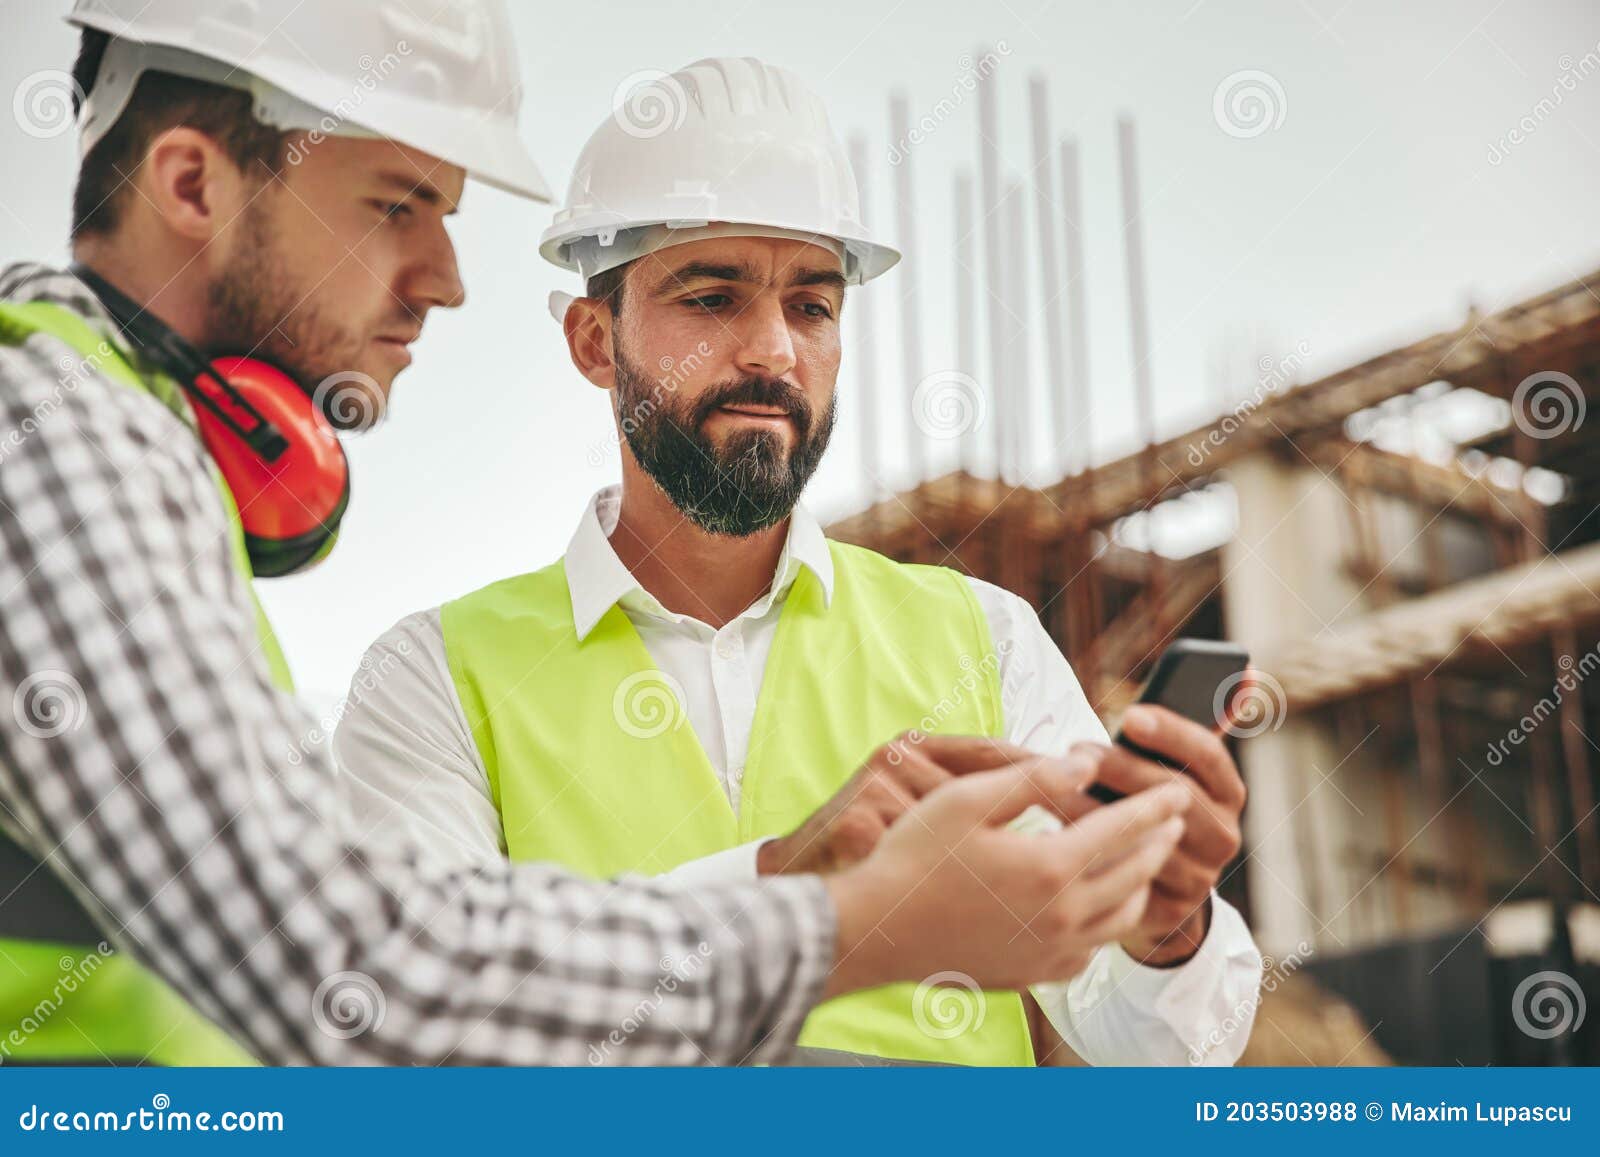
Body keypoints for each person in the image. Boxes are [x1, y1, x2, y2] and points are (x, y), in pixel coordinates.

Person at [0, 4, 1191, 1067]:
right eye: (395, 204)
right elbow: (355, 976)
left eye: (812, 302)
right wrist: (839, 927)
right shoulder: (56, 446)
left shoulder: (127, 454)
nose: (445, 277)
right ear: (194, 185)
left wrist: (1161, 920)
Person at [334, 57, 1264, 1066]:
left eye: (813, 306)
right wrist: (788, 879)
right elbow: (406, 1036)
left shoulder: (984, 641)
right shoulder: (435, 679)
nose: (774, 351)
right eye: (711, 297)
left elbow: (1174, 1058)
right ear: (594, 341)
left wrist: (1165, 930)